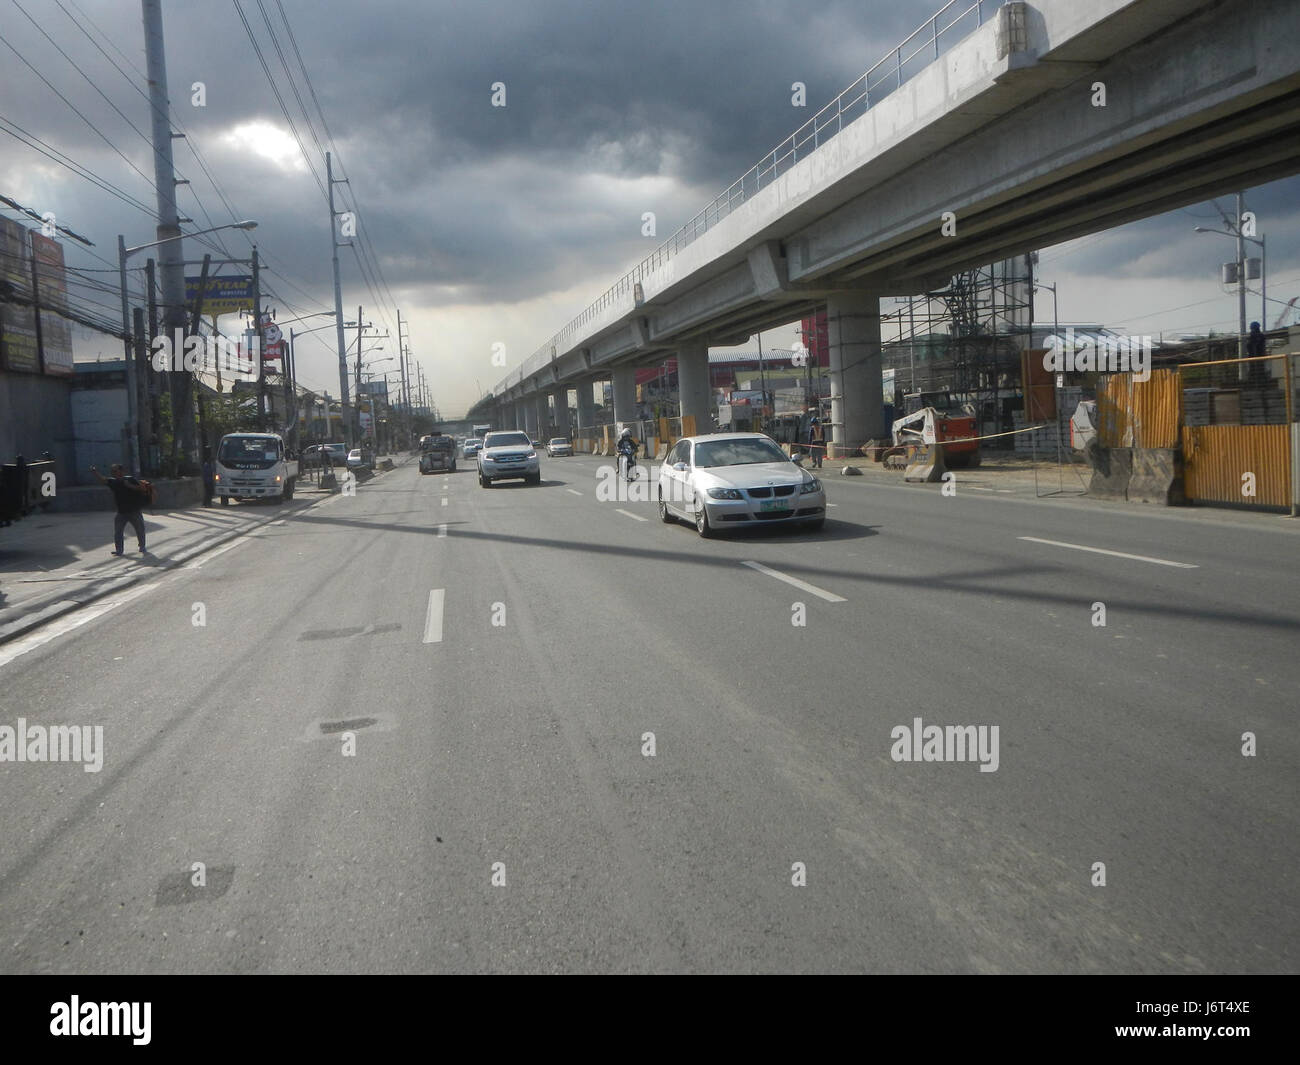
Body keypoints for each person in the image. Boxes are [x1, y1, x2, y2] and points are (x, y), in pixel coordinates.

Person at [91, 463, 148, 556]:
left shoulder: (130, 479)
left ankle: (142, 546)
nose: (113, 473)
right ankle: (119, 550)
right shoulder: (113, 482)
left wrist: (130, 486)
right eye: (112, 471)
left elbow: (142, 489)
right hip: (121, 512)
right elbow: (103, 480)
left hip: (134, 511)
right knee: (118, 532)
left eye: (115, 471)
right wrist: (95, 472)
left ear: (121, 471)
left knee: (140, 529)